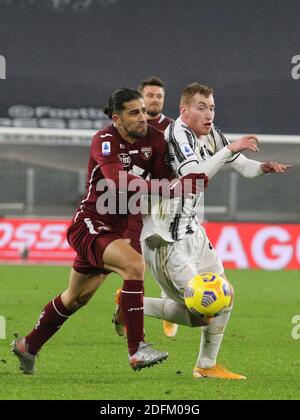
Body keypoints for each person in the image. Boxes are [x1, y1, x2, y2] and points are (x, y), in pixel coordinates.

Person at [11, 88, 205, 374]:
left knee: (75, 298)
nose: (143, 117)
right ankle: (137, 348)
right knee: (134, 265)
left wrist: (191, 175)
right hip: (89, 223)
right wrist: (170, 187)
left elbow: (168, 183)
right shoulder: (104, 139)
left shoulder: (154, 139)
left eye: (143, 110)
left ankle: (28, 345)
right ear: (117, 118)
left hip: (115, 230)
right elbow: (118, 180)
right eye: (134, 113)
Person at [113, 83, 291, 379]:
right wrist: (230, 149)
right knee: (202, 315)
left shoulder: (212, 134)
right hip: (166, 239)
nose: (209, 114)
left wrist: (263, 167)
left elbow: (242, 166)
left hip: (193, 232)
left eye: (211, 108)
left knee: (226, 296)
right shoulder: (177, 135)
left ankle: (206, 366)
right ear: (184, 111)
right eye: (201, 108)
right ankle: (132, 303)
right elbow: (194, 176)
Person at [123, 76, 176, 337]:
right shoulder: (128, 128)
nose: (155, 100)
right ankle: (128, 308)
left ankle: (169, 306)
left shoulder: (173, 130)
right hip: (134, 206)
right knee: (135, 261)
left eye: (159, 96)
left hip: (165, 208)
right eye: (150, 96)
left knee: (169, 258)